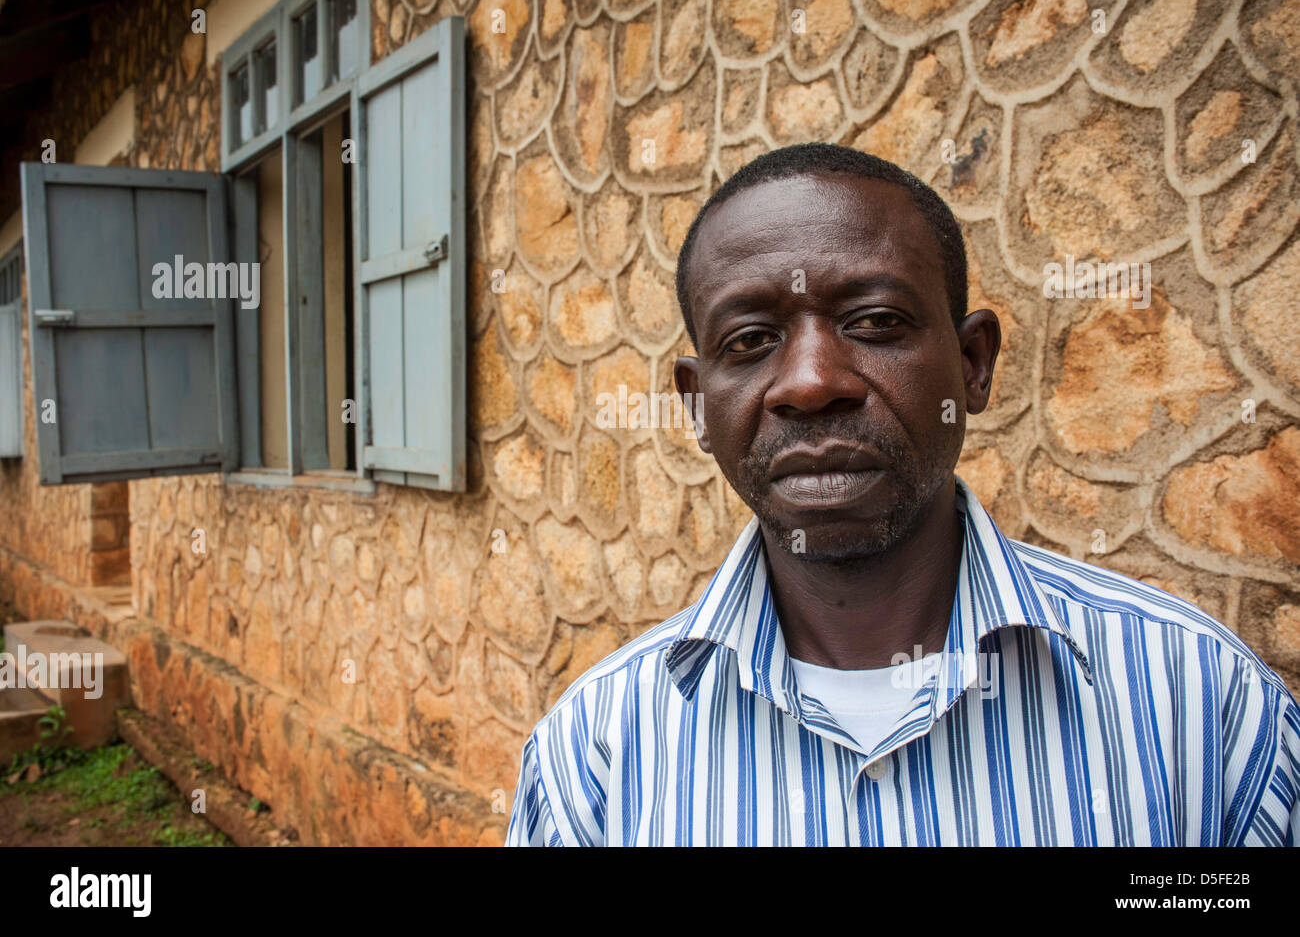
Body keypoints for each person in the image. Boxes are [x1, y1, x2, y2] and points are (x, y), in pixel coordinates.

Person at [506, 142, 1300, 846]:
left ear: (974, 363)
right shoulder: (595, 757)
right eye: (749, 341)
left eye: (876, 320)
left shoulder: (1203, 706)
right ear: (696, 405)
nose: (812, 383)